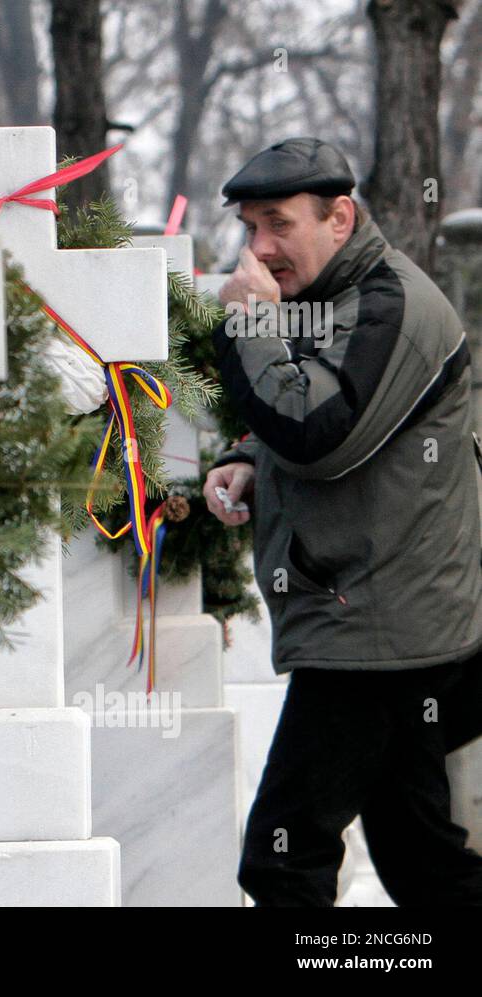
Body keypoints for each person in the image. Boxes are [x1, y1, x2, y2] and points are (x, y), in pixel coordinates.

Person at [204, 136, 482, 906]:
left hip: (378, 630)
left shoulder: (391, 302)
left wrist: (249, 327)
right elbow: (308, 413)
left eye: (277, 223)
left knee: (282, 859)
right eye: (249, 227)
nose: (260, 246)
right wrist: (250, 455)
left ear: (339, 216)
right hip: (381, 620)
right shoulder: (334, 296)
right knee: (426, 863)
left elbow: (318, 430)